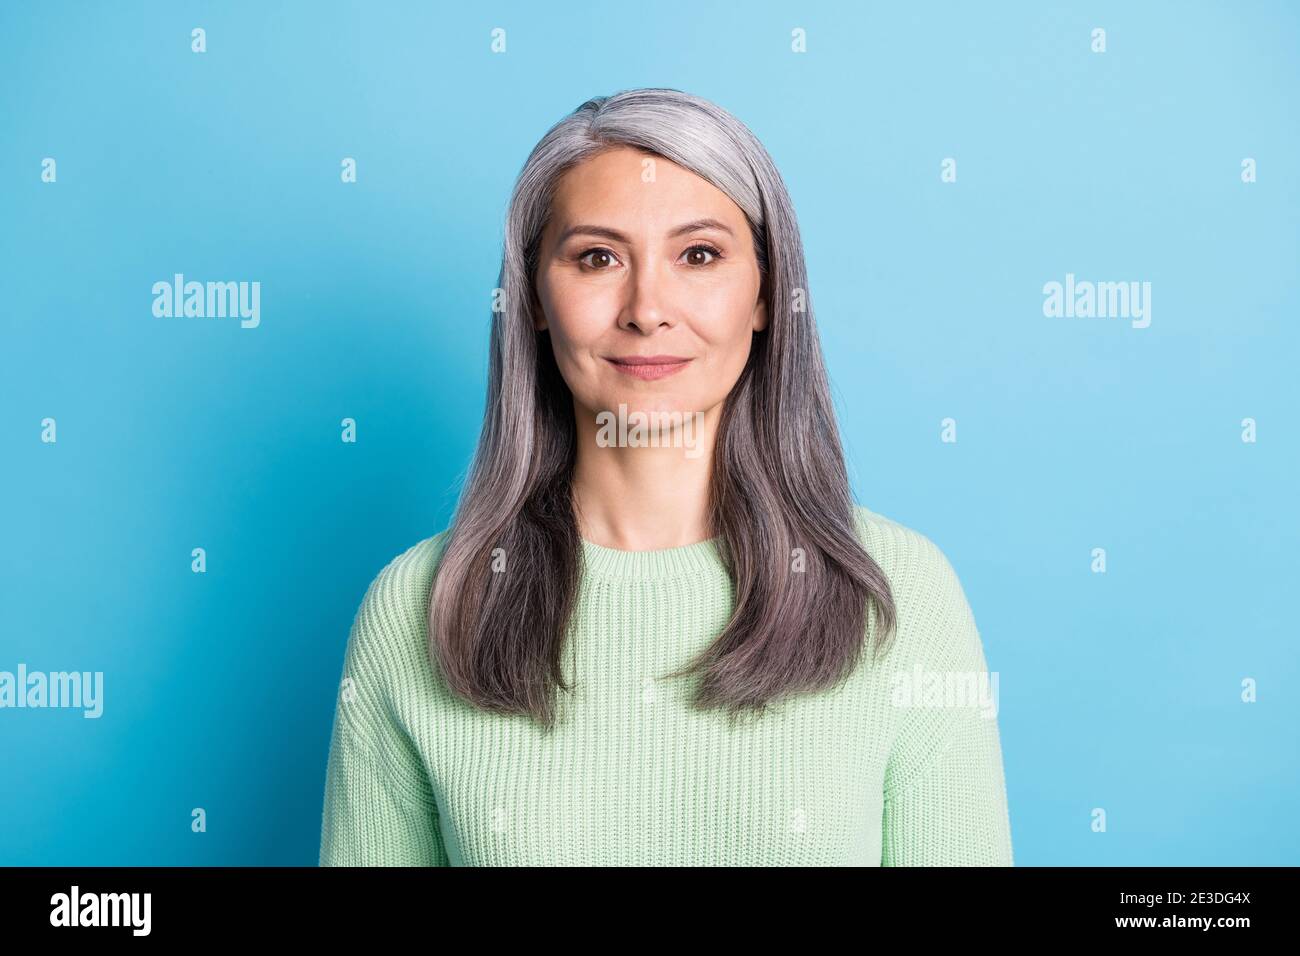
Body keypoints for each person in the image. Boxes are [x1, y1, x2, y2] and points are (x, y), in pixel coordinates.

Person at [320, 88, 1013, 866]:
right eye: (597, 258)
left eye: (700, 255)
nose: (648, 309)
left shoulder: (901, 596)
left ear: (765, 293)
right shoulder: (417, 609)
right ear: (535, 300)